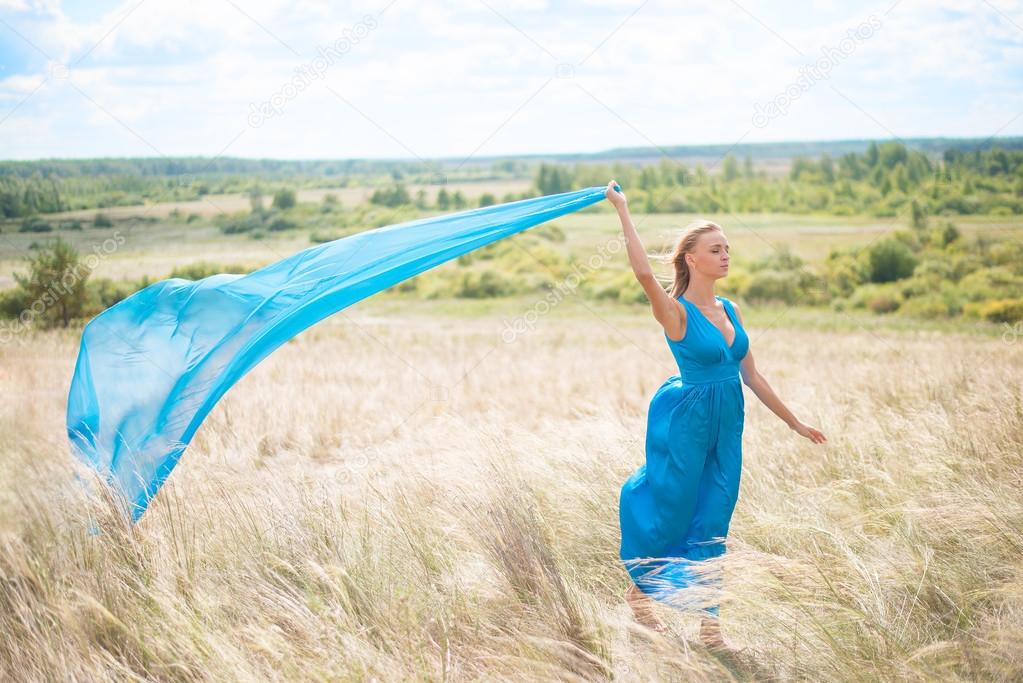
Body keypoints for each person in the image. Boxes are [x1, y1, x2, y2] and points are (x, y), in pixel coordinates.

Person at [604, 179, 827, 649]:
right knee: (673, 513)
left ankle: (710, 630)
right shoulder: (676, 313)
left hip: (728, 426)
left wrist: (795, 422)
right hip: (688, 425)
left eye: (727, 248)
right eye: (715, 249)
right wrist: (622, 209)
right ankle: (640, 593)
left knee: (714, 520)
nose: (725, 256)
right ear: (691, 258)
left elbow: (752, 375)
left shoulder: (731, 308)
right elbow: (645, 276)